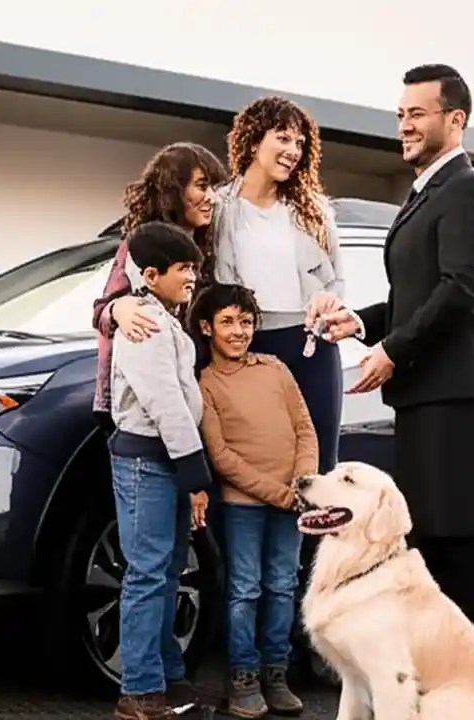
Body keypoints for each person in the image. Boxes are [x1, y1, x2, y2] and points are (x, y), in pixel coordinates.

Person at [320, 64, 474, 652]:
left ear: (455, 121)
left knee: (462, 540)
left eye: (417, 113)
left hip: (456, 391)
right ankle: (446, 680)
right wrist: (363, 322)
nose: (404, 124)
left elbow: (459, 289)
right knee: (431, 540)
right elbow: (415, 294)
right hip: (427, 393)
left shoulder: (466, 189)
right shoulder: (426, 190)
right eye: (401, 113)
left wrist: (392, 351)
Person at [110, 96, 347, 474]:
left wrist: (329, 301)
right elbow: (158, 265)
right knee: (248, 465)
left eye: (300, 144)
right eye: (283, 138)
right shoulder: (217, 207)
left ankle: (309, 535)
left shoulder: (315, 210)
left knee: (317, 465)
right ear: (254, 141)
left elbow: (336, 281)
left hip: (309, 348)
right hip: (241, 345)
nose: (292, 151)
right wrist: (115, 306)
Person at [188, 282, 317, 718]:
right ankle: (242, 676)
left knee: (283, 584)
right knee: (245, 588)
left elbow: (305, 428)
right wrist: (278, 493)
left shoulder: (276, 369)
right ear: (207, 328)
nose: (238, 331)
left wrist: (301, 483)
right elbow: (221, 457)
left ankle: (274, 673)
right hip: (245, 504)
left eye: (246, 322)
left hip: (292, 501)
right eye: (227, 322)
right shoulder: (205, 384)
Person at [107, 220, 214, 720]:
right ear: (151, 274)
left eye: (195, 266)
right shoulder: (145, 324)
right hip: (147, 462)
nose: (192, 277)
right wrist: (196, 473)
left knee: (168, 571)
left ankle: (169, 682)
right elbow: (163, 401)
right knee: (148, 573)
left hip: (165, 459)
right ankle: (141, 694)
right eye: (182, 269)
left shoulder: (166, 318)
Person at [92, 142, 230, 426]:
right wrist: (118, 308)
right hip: (144, 415)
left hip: (196, 398)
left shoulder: (208, 245)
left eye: (214, 188)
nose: (212, 198)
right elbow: (103, 311)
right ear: (173, 191)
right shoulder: (141, 246)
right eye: (202, 186)